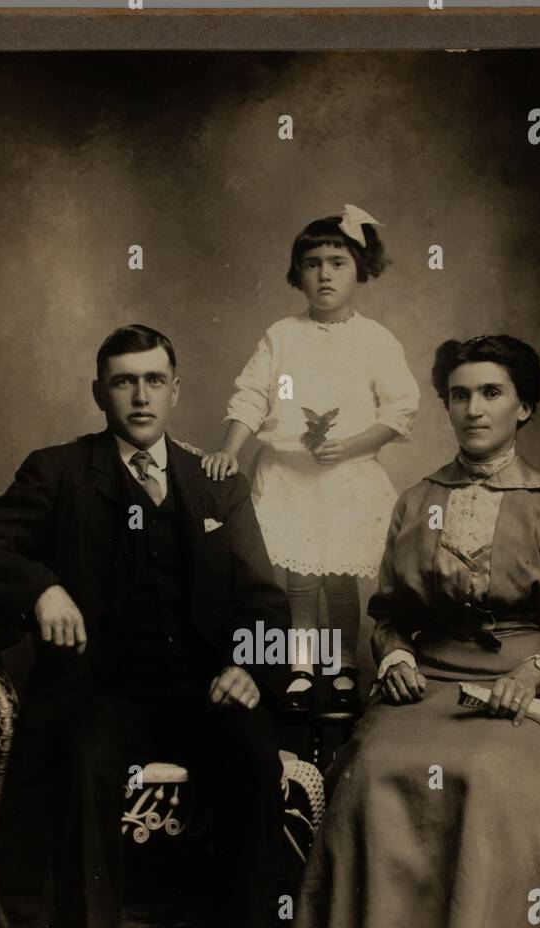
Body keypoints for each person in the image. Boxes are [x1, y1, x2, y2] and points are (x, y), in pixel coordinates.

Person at [0, 323, 299, 928]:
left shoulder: (214, 481)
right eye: (124, 381)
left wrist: (247, 667)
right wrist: (41, 588)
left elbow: (264, 599)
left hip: (204, 691)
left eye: (153, 380)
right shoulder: (60, 471)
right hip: (105, 692)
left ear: (175, 389)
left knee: (255, 761)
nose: (140, 395)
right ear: (99, 391)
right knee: (85, 762)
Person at [283, 334, 540, 928]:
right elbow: (386, 614)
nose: (474, 409)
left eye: (491, 393)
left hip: (521, 690)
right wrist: (395, 659)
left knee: (491, 773)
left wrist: (531, 672)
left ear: (524, 405)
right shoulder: (416, 501)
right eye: (461, 395)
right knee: (369, 767)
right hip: (427, 682)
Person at [201, 205, 420, 713]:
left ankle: (342, 662)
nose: (324, 273)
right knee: (299, 582)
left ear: (359, 270)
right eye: (313, 262)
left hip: (345, 480)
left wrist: (352, 445)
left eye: (338, 262)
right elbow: (253, 395)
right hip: (289, 478)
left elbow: (400, 409)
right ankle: (302, 663)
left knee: (341, 581)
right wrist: (229, 452)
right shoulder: (282, 336)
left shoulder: (375, 340)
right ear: (297, 274)